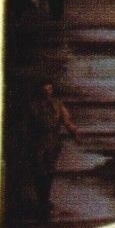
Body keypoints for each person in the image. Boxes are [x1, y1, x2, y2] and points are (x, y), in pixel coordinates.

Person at [26, 81, 80, 220]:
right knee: (39, 171)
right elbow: (26, 126)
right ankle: (41, 200)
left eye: (49, 89)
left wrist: (75, 134)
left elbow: (66, 121)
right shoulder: (32, 105)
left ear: (51, 90)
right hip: (37, 142)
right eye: (44, 89)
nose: (47, 91)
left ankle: (45, 199)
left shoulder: (58, 104)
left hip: (53, 142)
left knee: (49, 172)